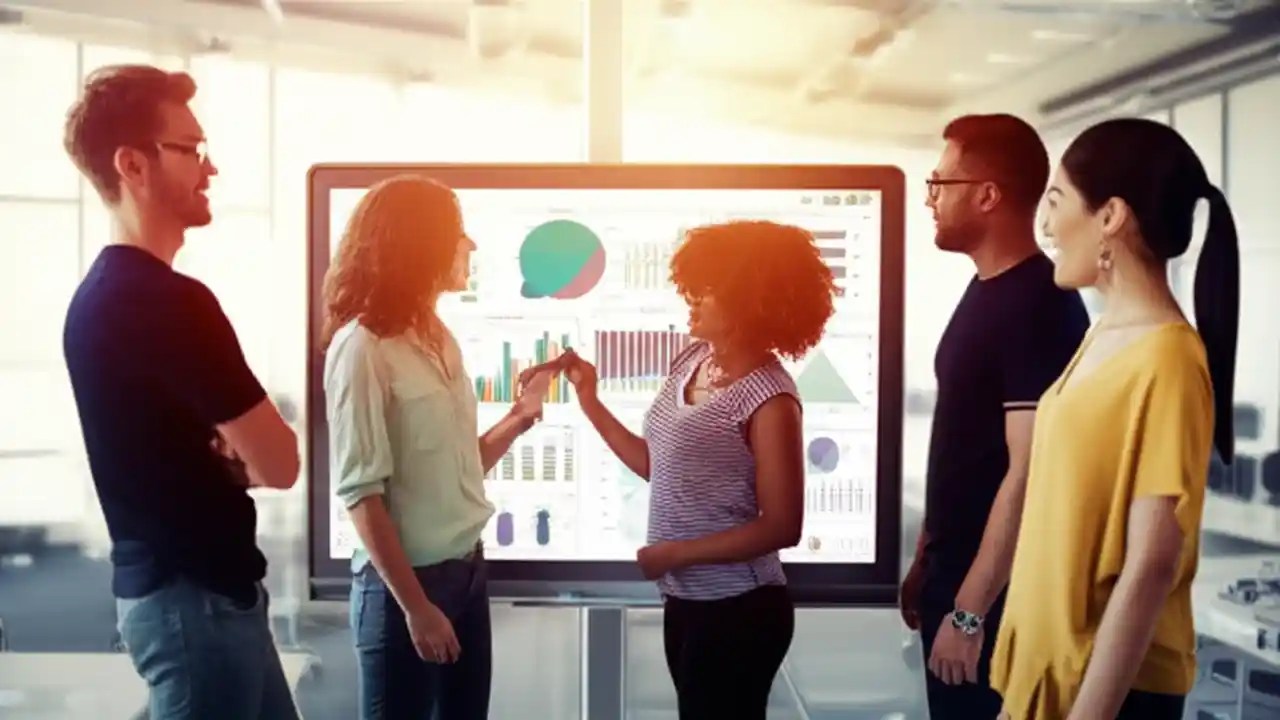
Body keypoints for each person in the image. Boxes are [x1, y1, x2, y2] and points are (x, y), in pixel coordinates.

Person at [61, 65, 301, 719]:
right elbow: (280, 463)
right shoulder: (171, 305)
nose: (210, 168)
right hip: (196, 611)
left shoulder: (98, 299)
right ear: (132, 166)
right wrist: (239, 455)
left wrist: (229, 454)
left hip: (192, 601)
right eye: (191, 150)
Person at [991, 118, 1240, 720]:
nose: (1045, 225)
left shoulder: (1170, 358)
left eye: (1055, 201)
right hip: (1053, 674)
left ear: (1110, 217)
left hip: (1107, 688)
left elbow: (1150, 565)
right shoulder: (1107, 333)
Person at [547, 220, 835, 720]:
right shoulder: (692, 359)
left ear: (750, 301)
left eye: (709, 289)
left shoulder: (771, 399)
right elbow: (657, 466)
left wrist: (678, 552)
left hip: (740, 610)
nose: (693, 298)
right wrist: (589, 399)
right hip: (686, 603)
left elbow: (783, 525)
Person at [322, 174, 547, 719]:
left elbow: (457, 465)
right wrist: (417, 609)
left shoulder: (437, 335)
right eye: (457, 233)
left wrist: (519, 418)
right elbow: (361, 493)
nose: (468, 245)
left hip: (467, 574)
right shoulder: (361, 349)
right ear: (417, 244)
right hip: (404, 590)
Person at [899, 114, 1091, 720]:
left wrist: (969, 611)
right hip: (954, 582)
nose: (929, 198)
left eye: (940, 182)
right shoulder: (987, 288)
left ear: (987, 195)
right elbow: (964, 444)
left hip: (995, 607)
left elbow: (1028, 470)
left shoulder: (1039, 301)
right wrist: (928, 556)